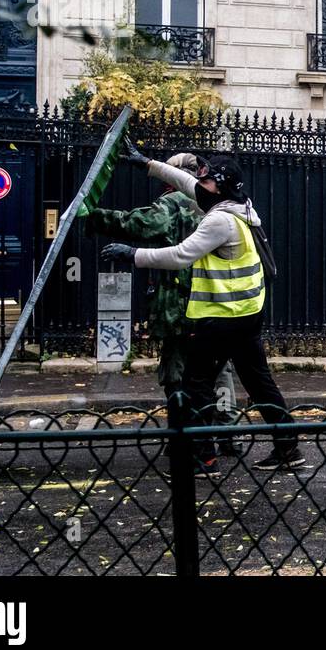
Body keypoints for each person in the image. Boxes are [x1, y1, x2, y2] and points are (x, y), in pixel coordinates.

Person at [102, 144, 302, 473]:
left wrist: (132, 254)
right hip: (248, 314)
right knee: (258, 382)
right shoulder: (240, 207)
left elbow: (180, 255)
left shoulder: (219, 221)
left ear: (220, 187)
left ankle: (203, 455)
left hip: (223, 318)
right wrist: (148, 164)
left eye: (206, 181)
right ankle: (288, 448)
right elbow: (185, 182)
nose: (199, 184)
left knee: (196, 383)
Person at [84, 152, 240, 444]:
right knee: (219, 369)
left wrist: (93, 218)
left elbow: (140, 224)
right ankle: (228, 434)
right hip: (215, 302)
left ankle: (185, 438)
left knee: (176, 374)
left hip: (179, 306)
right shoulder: (217, 207)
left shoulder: (175, 203)